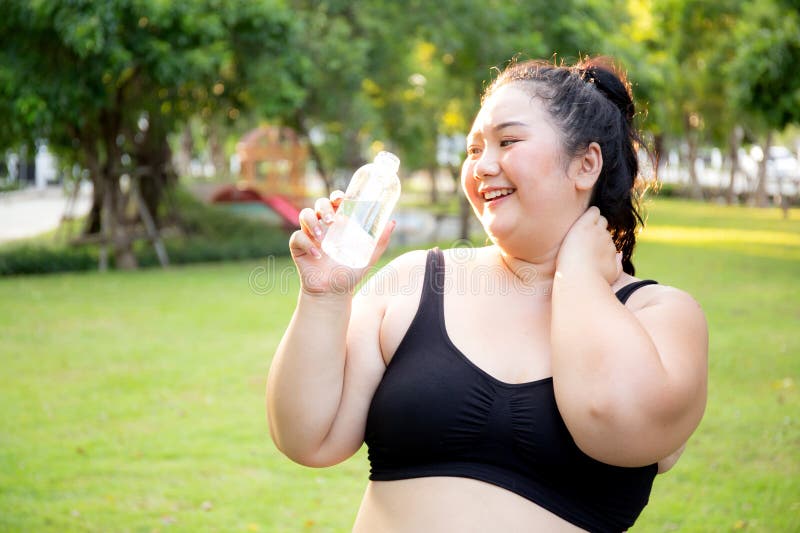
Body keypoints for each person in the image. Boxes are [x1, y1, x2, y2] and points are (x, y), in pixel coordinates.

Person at [267, 57, 708, 532]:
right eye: (473, 149)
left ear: (586, 164)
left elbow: (615, 421)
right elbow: (306, 437)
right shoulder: (414, 282)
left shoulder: (659, 315)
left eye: (508, 141)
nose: (482, 166)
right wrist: (325, 296)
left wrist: (577, 273)